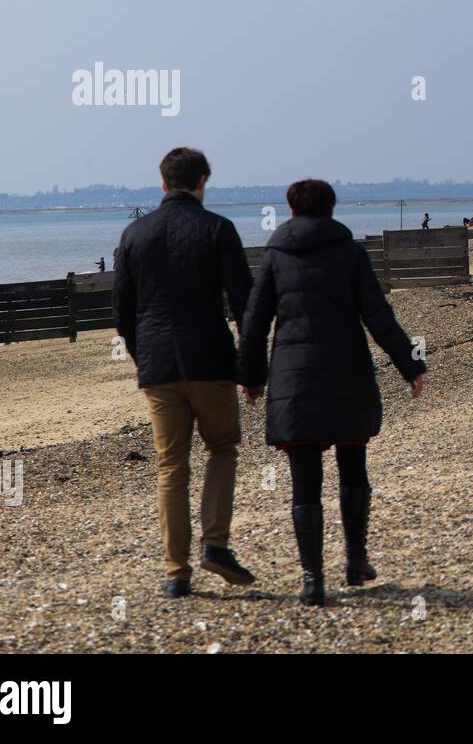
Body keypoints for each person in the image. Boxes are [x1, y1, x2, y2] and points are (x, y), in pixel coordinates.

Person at [237, 179, 426, 607]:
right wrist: (410, 365)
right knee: (353, 469)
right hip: (347, 378)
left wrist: (250, 377)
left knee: (305, 485)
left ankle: (312, 581)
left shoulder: (275, 255)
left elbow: (254, 321)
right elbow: (378, 316)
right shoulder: (350, 252)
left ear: (290, 208)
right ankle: (356, 562)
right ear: (331, 207)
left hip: (295, 382)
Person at [113, 147, 255, 599]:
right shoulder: (218, 229)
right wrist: (253, 370)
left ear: (162, 183)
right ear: (202, 182)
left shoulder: (134, 234)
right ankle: (215, 543)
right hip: (210, 359)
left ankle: (177, 571)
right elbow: (245, 306)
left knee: (170, 465)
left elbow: (122, 313)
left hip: (158, 365)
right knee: (222, 448)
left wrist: (143, 358)